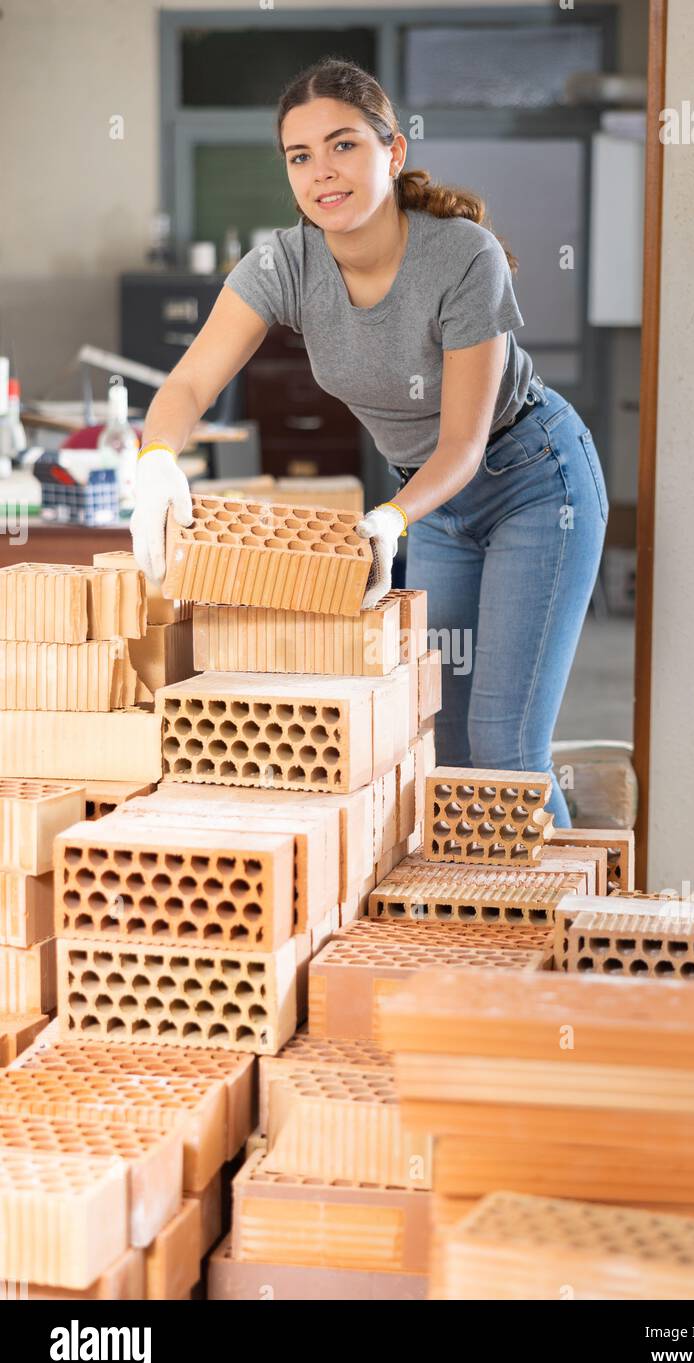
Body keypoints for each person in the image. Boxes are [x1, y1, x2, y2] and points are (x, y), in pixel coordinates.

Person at [130, 57, 608, 827]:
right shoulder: (285, 263)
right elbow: (187, 387)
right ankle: (481, 933)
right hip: (434, 507)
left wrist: (389, 517)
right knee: (446, 737)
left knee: (506, 745)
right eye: (300, 155)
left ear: (393, 152)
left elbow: (464, 443)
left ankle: (576, 928)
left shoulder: (461, 257)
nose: (323, 171)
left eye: (344, 145)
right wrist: (156, 462)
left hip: (533, 482)